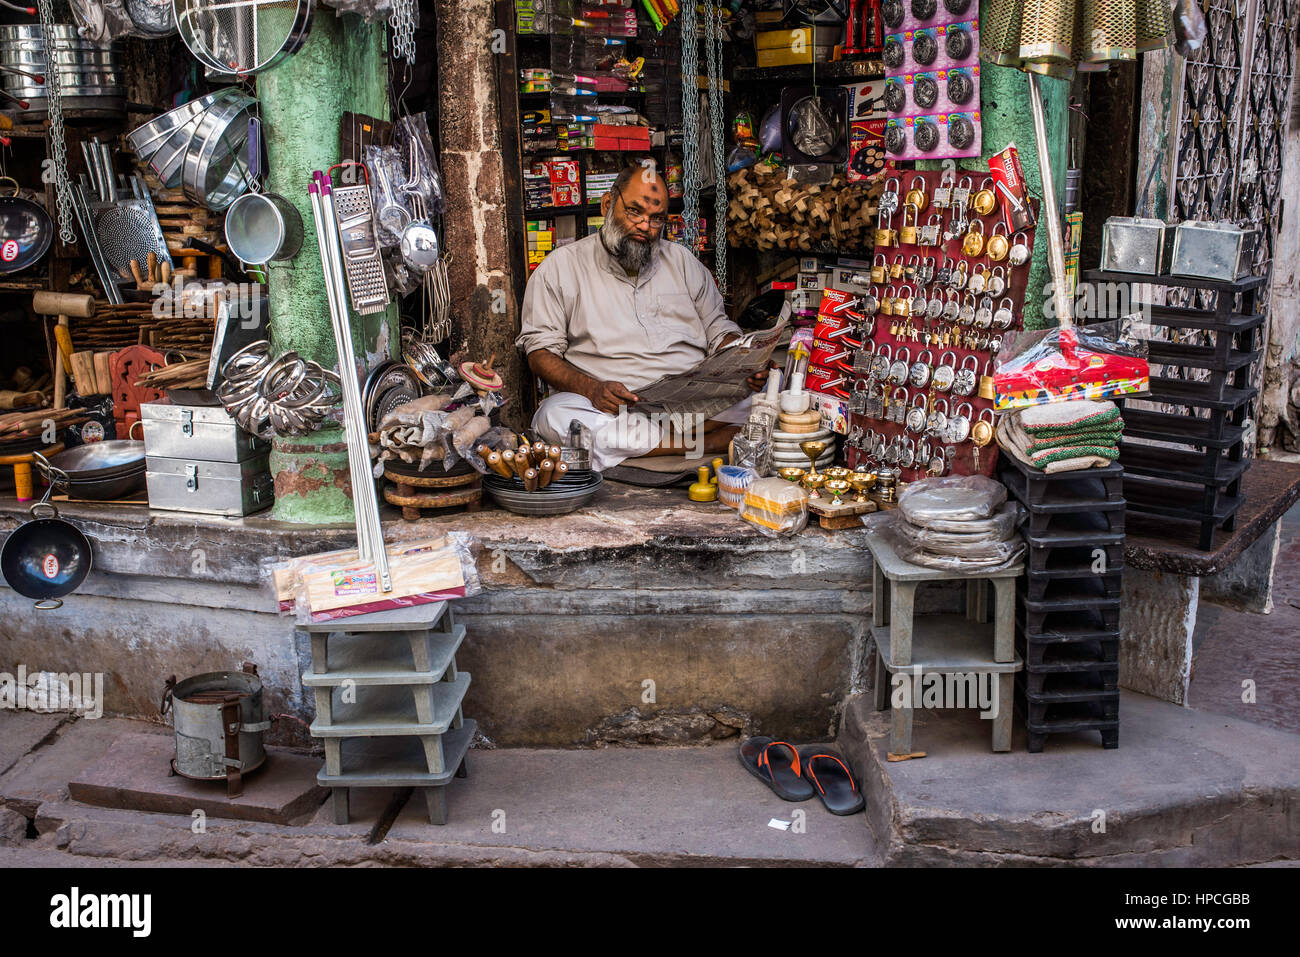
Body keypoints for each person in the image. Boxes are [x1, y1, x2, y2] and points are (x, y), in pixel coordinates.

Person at [516, 163, 770, 471]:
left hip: (693, 403)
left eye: (656, 218)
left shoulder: (682, 263)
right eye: (634, 212)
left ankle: (662, 441)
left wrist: (743, 359)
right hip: (612, 408)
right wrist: (591, 389)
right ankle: (706, 443)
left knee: (774, 395)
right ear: (608, 204)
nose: (645, 227)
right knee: (554, 416)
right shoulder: (559, 268)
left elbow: (718, 330)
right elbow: (540, 353)